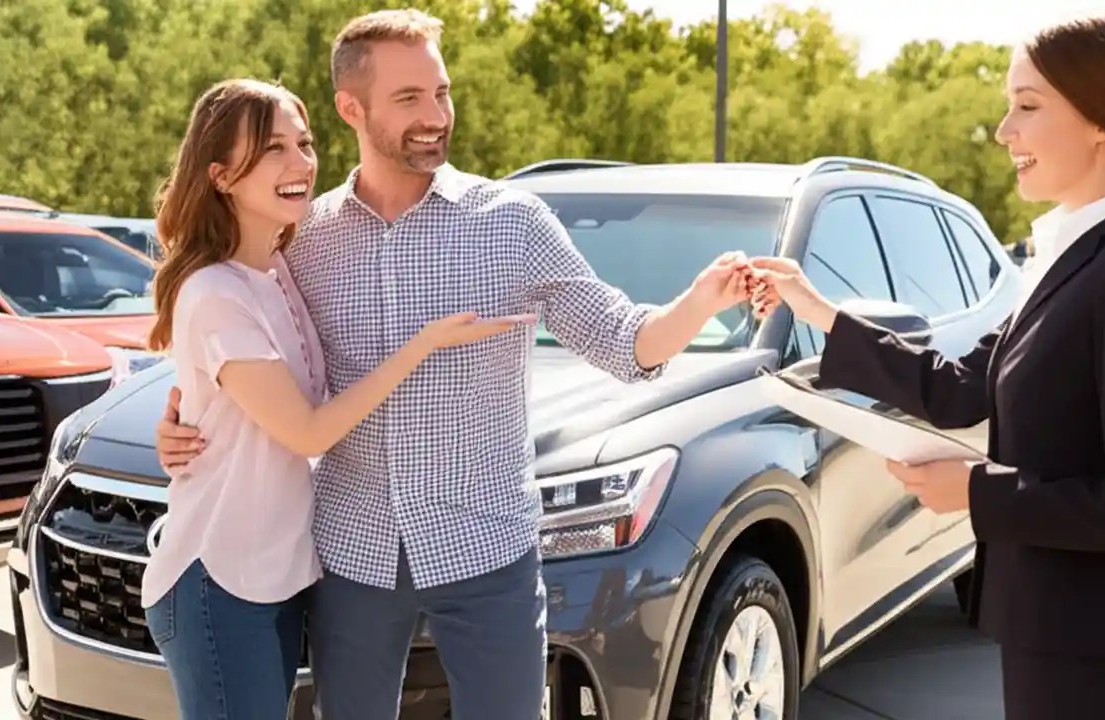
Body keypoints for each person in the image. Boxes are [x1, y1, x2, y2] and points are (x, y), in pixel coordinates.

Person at [153, 10, 753, 720]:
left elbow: (624, 341)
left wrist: (698, 302)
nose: (436, 115)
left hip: (485, 544)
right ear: (353, 107)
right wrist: (184, 415)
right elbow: (236, 329)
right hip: (352, 547)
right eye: (409, 98)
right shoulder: (303, 237)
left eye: (441, 93)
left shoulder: (512, 223)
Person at [749, 11, 1105, 720]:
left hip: (1098, 657)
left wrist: (977, 493)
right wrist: (818, 310)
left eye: (1027, 107)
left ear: (1102, 120)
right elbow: (956, 388)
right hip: (1049, 636)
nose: (1004, 131)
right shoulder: (1076, 253)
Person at [140, 78, 523, 720]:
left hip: (281, 575)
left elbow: (216, 400)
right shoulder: (214, 293)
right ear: (221, 175)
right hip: (218, 579)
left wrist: (176, 422)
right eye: (272, 151)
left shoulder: (278, 268)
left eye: (305, 142)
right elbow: (310, 431)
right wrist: (421, 344)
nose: (300, 164)